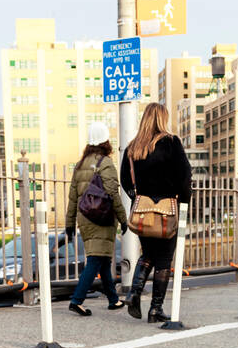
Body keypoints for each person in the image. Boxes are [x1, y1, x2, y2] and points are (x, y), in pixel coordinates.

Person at [120, 101, 192, 322]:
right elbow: (185, 176)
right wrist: (184, 203)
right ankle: (155, 309)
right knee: (164, 259)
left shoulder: (133, 147)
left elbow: (124, 179)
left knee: (148, 254)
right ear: (163, 118)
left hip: (143, 212)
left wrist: (138, 198)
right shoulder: (171, 143)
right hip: (167, 211)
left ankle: (133, 293)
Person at [65, 122, 128, 315]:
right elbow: (113, 194)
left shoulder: (80, 165)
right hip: (101, 217)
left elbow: (73, 197)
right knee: (95, 259)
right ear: (105, 141)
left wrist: (69, 224)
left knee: (102, 258)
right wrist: (123, 218)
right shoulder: (106, 163)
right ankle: (77, 300)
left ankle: (113, 299)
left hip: (85, 217)